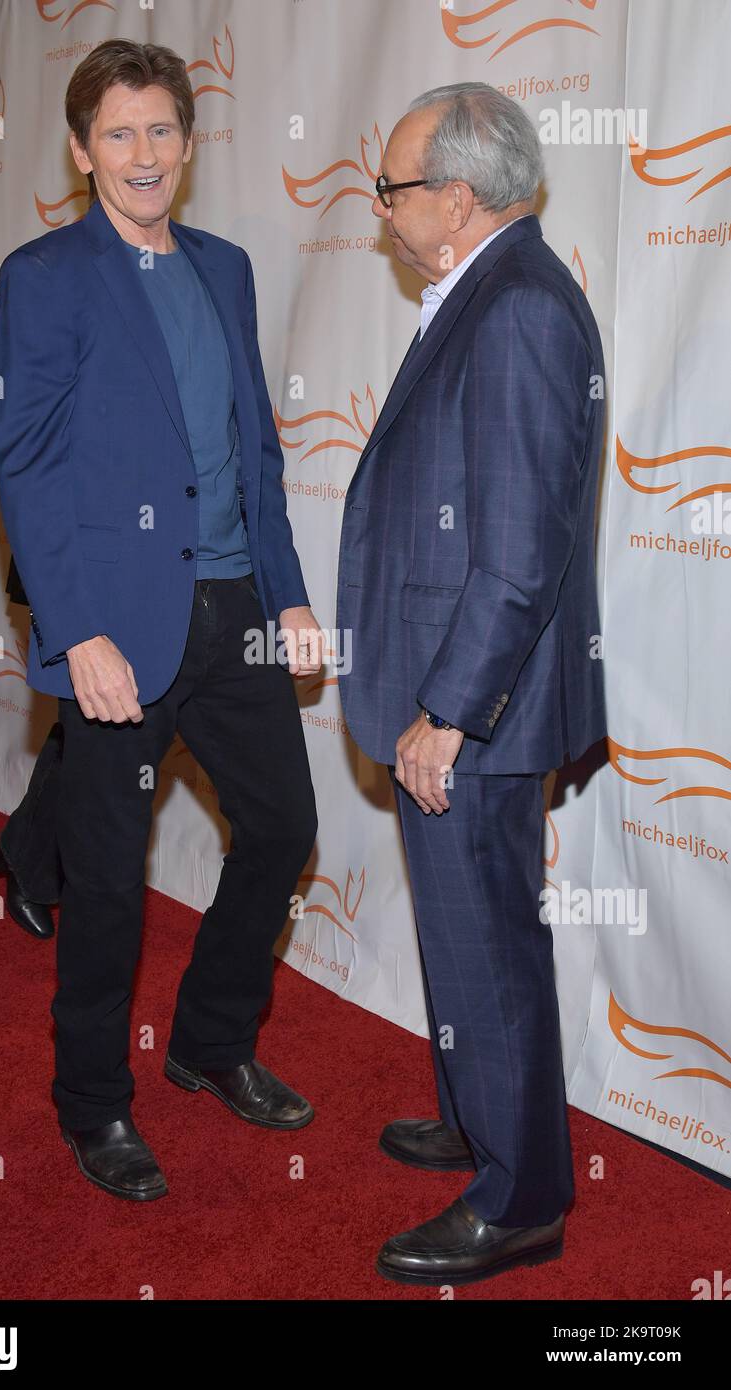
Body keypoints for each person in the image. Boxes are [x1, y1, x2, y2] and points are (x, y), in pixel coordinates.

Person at [0, 39, 323, 1202]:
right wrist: (74, 627)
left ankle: (210, 1038)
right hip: (116, 628)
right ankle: (93, 1103)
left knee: (282, 827)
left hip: (230, 605)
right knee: (113, 884)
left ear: (187, 141)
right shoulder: (46, 274)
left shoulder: (224, 267)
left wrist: (284, 591)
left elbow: (254, 450)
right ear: (81, 151)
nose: (144, 154)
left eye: (162, 130)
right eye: (118, 134)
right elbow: (24, 463)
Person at [336, 81, 606, 1285]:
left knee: (488, 944)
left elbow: (518, 546)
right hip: (451, 689)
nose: (380, 206)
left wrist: (449, 711)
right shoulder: (487, 290)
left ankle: (522, 1197)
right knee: (462, 931)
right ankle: (476, 1114)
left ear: (454, 197)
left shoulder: (519, 311)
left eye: (393, 186)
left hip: (475, 705)